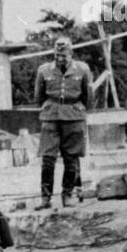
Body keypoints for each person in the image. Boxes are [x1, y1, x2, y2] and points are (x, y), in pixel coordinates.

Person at [33, 36, 93, 209]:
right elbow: (39, 96)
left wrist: (78, 110)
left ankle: (68, 195)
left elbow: (88, 97)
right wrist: (49, 107)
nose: (60, 59)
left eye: (64, 55)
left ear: (71, 54)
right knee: (48, 159)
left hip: (74, 117)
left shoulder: (82, 69)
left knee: (71, 159)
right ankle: (45, 198)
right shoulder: (44, 70)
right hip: (50, 117)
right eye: (57, 55)